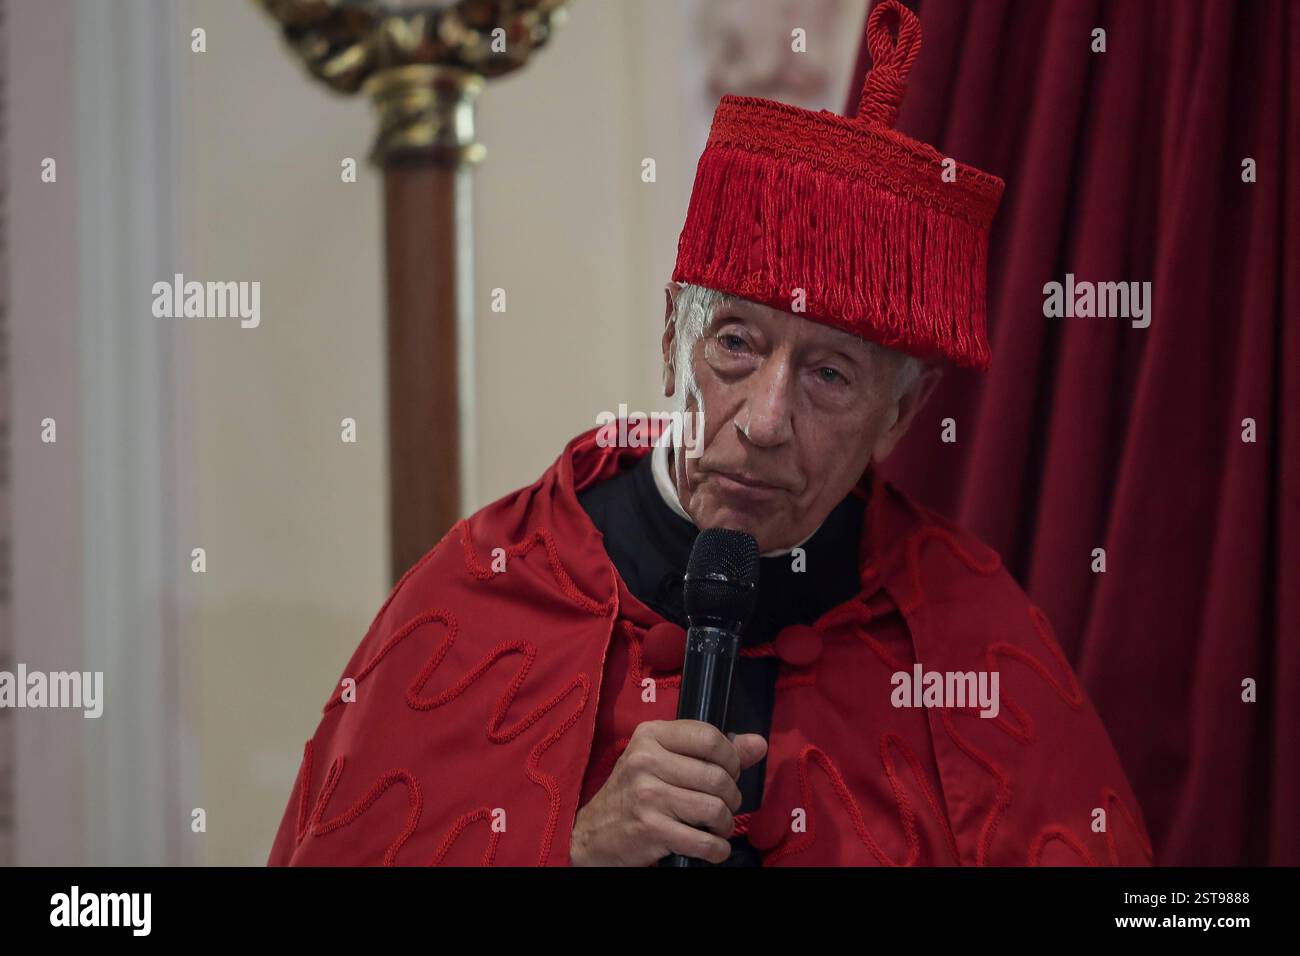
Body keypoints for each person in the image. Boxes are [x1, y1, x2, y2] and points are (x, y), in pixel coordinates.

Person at [268, 0, 1151, 867]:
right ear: (670, 343)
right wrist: (572, 850)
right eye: (735, 343)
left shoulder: (969, 627)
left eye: (830, 375)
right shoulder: (487, 588)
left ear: (902, 416)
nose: (765, 423)